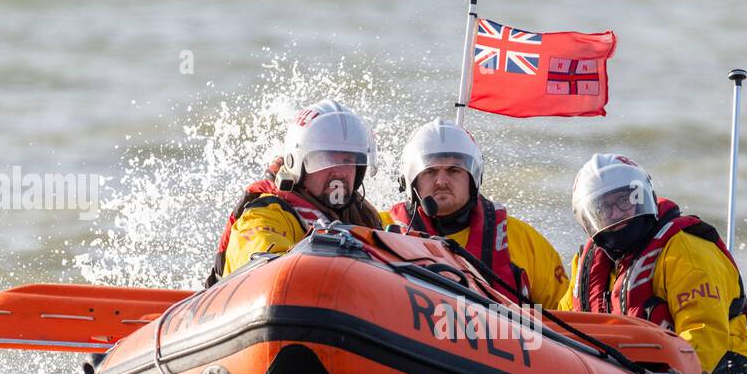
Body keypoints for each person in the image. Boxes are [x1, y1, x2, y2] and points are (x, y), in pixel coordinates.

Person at [564, 153, 747, 374]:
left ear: (642, 197)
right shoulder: (587, 265)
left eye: (624, 201)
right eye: (603, 208)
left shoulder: (687, 251)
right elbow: (564, 323)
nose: (615, 214)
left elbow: (704, 332)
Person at [382, 119, 570, 309]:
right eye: (430, 171)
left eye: (454, 170)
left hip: (500, 336)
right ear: (410, 182)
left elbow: (566, 317)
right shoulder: (380, 228)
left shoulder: (525, 242)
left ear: (474, 179)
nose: (441, 181)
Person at [207, 99, 383, 286]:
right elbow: (265, 272)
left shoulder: (364, 217)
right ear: (297, 163)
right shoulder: (264, 215)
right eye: (326, 159)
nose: (339, 171)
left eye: (348, 160)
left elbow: (400, 236)